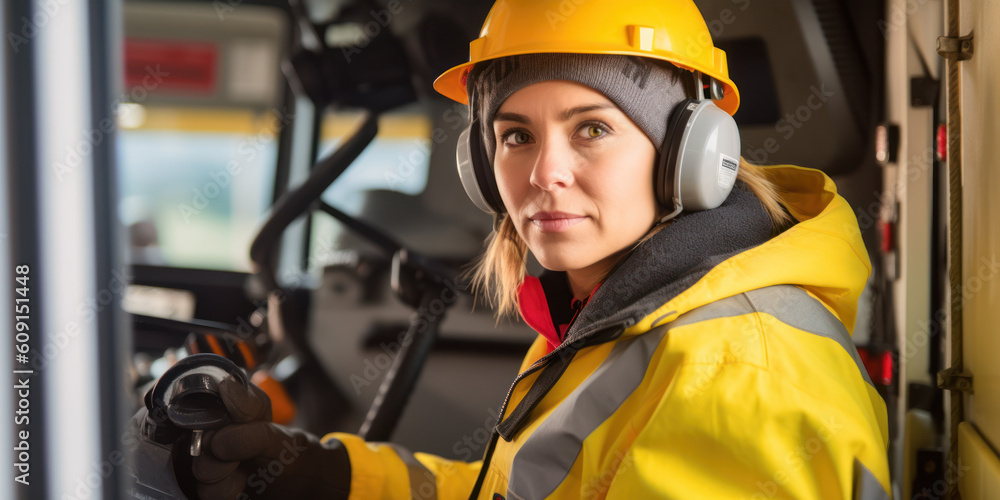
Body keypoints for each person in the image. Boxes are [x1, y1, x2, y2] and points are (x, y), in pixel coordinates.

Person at [180, 0, 891, 498]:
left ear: (692, 154)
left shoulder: (733, 376)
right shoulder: (616, 319)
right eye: (516, 135)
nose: (544, 172)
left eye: (593, 129)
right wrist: (319, 476)